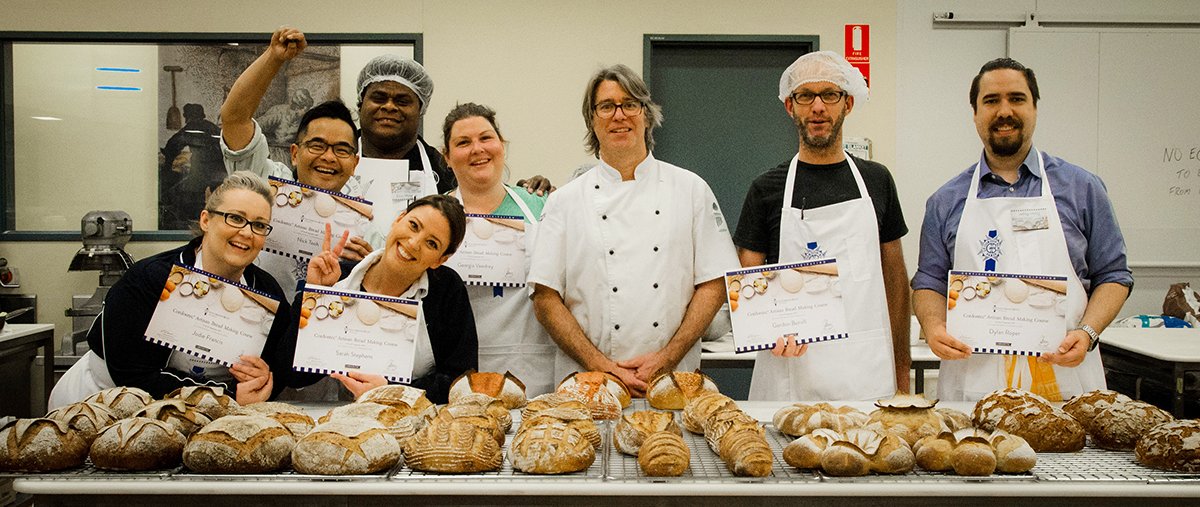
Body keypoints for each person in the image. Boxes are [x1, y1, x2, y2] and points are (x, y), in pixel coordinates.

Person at [912, 58, 1133, 402]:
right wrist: (933, 326)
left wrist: (1088, 332)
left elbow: (1114, 275)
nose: (1004, 111)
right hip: (974, 384)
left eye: (1016, 99)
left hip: (1066, 380)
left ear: (1034, 108)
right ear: (974, 113)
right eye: (991, 101)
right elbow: (928, 282)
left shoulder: (1082, 188)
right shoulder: (945, 200)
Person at [528, 64, 738, 397]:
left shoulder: (691, 189)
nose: (619, 115)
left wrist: (667, 358)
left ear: (646, 114)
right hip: (588, 384)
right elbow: (545, 298)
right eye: (606, 106)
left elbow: (713, 284)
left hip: (671, 383)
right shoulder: (565, 201)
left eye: (630, 104)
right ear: (592, 120)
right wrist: (601, 365)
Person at [735, 51, 911, 401]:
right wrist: (768, 331)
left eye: (829, 95)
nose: (818, 107)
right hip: (790, 375)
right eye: (805, 96)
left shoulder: (876, 181)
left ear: (847, 103)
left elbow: (895, 280)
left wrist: (902, 370)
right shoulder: (767, 188)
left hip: (866, 373)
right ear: (790, 106)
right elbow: (748, 285)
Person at [49, 172, 289, 409]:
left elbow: (287, 364)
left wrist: (265, 377)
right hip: (98, 404)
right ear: (206, 220)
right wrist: (228, 396)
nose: (247, 232)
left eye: (259, 225)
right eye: (235, 218)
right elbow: (134, 375)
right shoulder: (150, 278)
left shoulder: (265, 294)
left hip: (196, 416)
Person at [350, 55, 554, 251]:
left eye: (402, 101)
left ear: (420, 111)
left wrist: (537, 194)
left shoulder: (441, 170)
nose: (389, 107)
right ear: (360, 103)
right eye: (379, 98)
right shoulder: (334, 159)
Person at [220, 27, 370, 292]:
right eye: (317, 145)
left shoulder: (363, 218)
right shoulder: (264, 184)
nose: (328, 157)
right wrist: (274, 58)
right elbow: (234, 118)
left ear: (355, 162)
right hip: (256, 321)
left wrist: (366, 268)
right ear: (294, 152)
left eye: (341, 149)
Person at [296, 194, 477, 403]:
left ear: (440, 260)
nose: (413, 243)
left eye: (431, 243)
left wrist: (392, 392)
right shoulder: (337, 278)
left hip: (411, 423)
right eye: (414, 225)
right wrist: (315, 292)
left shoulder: (446, 290)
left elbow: (462, 380)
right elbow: (294, 374)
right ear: (398, 219)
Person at [440, 102, 556, 396]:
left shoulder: (542, 205)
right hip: (460, 371)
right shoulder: (436, 214)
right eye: (463, 143)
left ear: (501, 145)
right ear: (447, 157)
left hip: (535, 370)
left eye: (486, 138)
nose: (477, 149)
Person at [159, 103, 225, 230]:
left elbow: (172, 145)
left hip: (203, 171)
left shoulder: (192, 127)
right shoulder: (212, 128)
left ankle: (191, 223)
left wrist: (167, 166)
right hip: (220, 172)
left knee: (182, 194)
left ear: (187, 116)